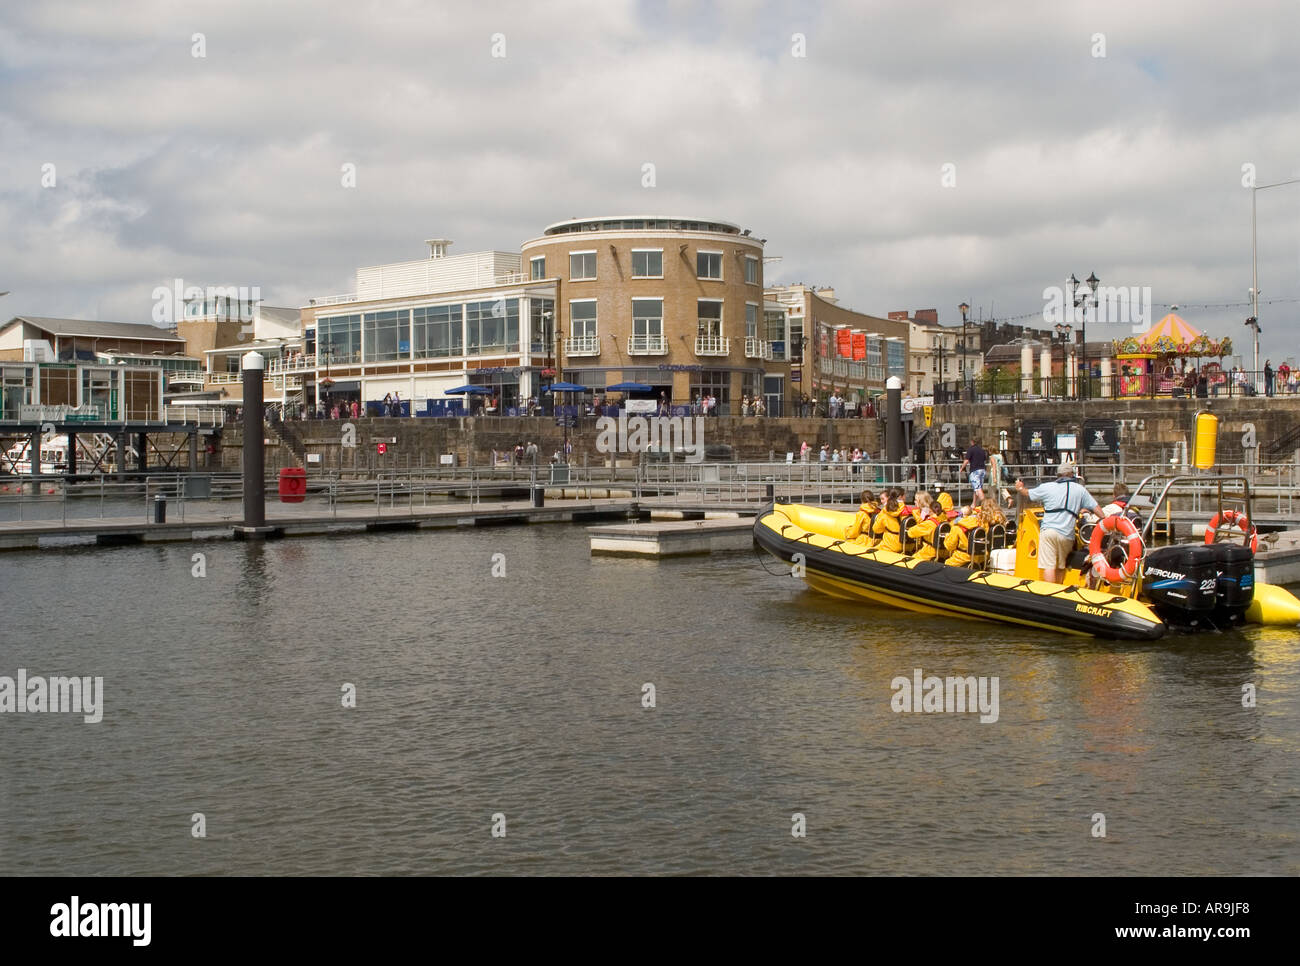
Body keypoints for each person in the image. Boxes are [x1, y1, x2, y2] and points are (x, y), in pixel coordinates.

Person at [1014, 459, 1100, 583]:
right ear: (1071, 474)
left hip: (1048, 531)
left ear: (1058, 475)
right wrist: (1106, 521)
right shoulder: (1080, 489)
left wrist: (1019, 487)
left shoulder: (1047, 487)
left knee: (1049, 566)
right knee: (1060, 566)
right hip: (1067, 534)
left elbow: (1026, 493)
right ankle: (1058, 590)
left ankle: (1050, 595)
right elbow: (1096, 508)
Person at [908, 491, 940, 560]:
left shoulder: (925, 513)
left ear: (921, 501)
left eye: (916, 500)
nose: (914, 502)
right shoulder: (934, 510)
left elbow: (919, 528)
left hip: (929, 548)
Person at [960, 438, 989, 502]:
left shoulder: (971, 449)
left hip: (975, 471)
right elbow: (984, 459)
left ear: (972, 442)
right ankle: (974, 504)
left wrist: (962, 468)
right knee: (977, 488)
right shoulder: (982, 450)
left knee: (978, 489)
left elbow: (966, 460)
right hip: (982, 470)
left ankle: (986, 504)